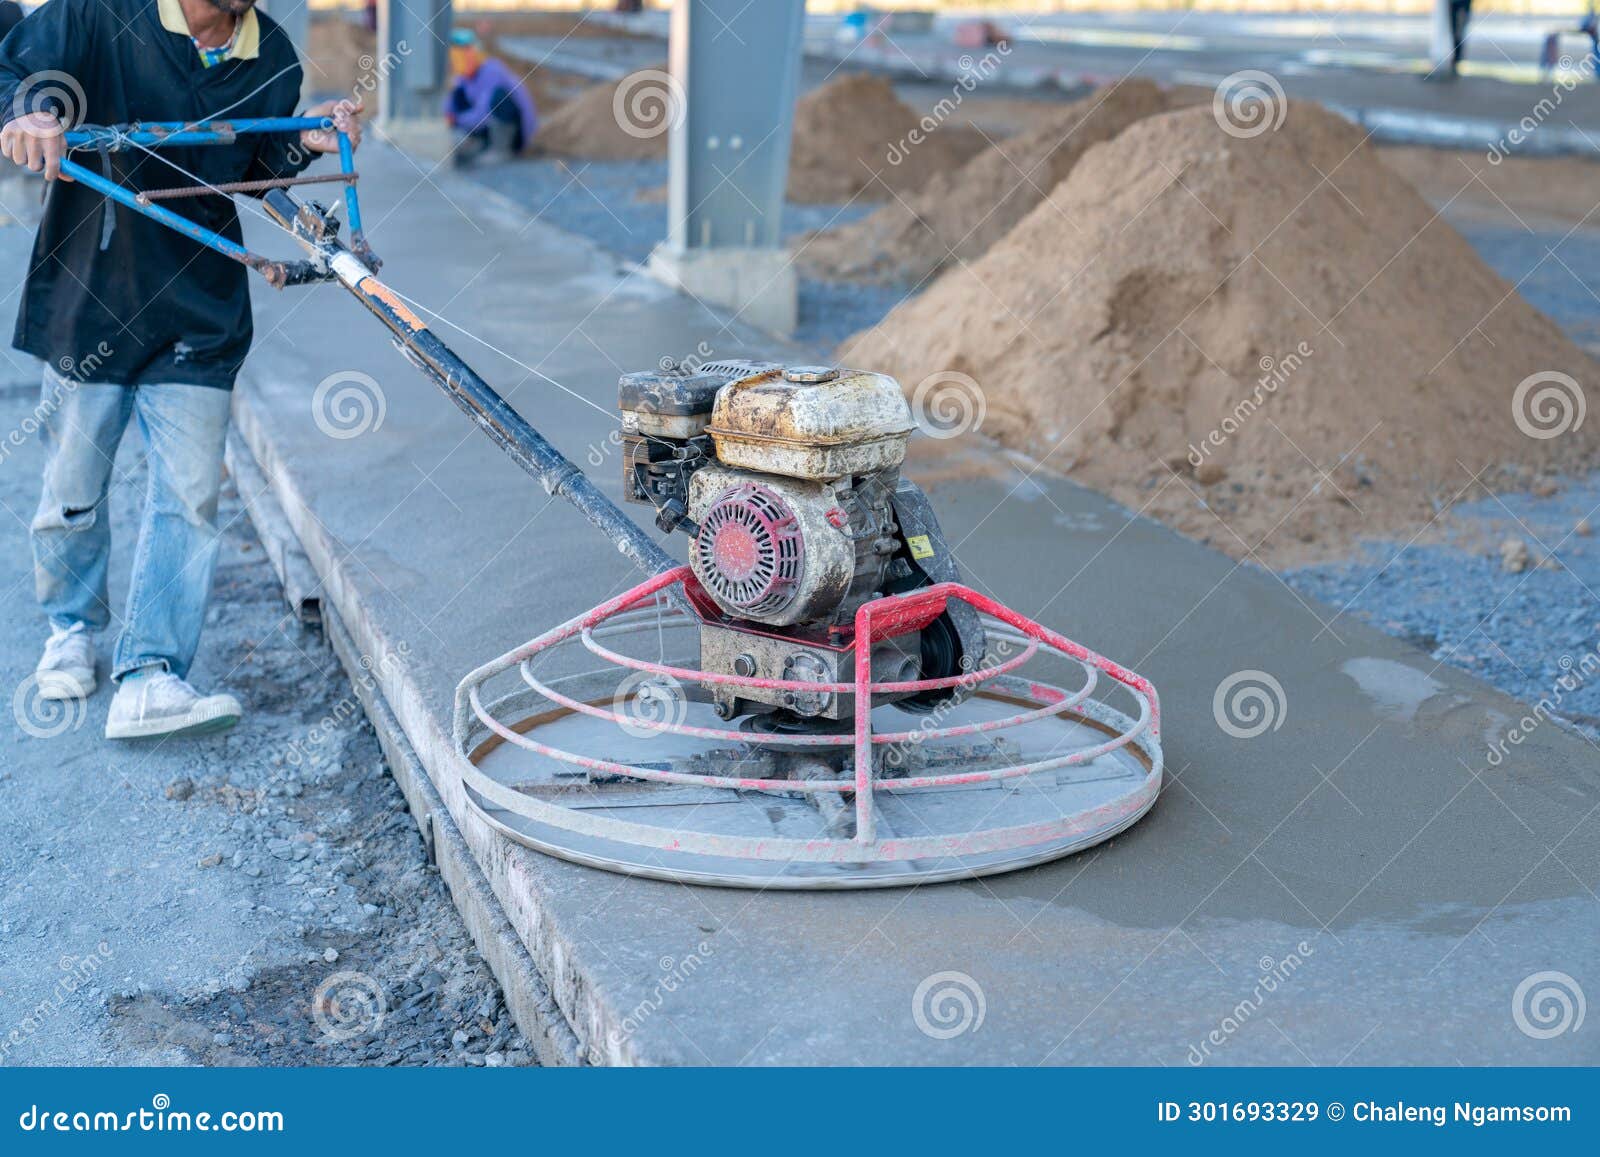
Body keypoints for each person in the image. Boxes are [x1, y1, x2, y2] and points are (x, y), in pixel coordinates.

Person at [0, 0, 361, 740]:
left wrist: (306, 142)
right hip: (89, 297)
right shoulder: (100, 13)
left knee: (191, 497)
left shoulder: (274, 56)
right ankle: (70, 629)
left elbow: (253, 168)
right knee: (72, 488)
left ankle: (150, 673)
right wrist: (30, 111)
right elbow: (16, 63)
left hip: (200, 306)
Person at [443, 28, 537, 165]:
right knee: (458, 95)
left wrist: (457, 120)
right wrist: (448, 116)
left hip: (519, 135)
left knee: (499, 96)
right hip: (488, 127)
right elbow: (449, 106)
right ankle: (480, 143)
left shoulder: (491, 71)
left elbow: (483, 115)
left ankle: (502, 149)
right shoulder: (464, 77)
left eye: (466, 53)